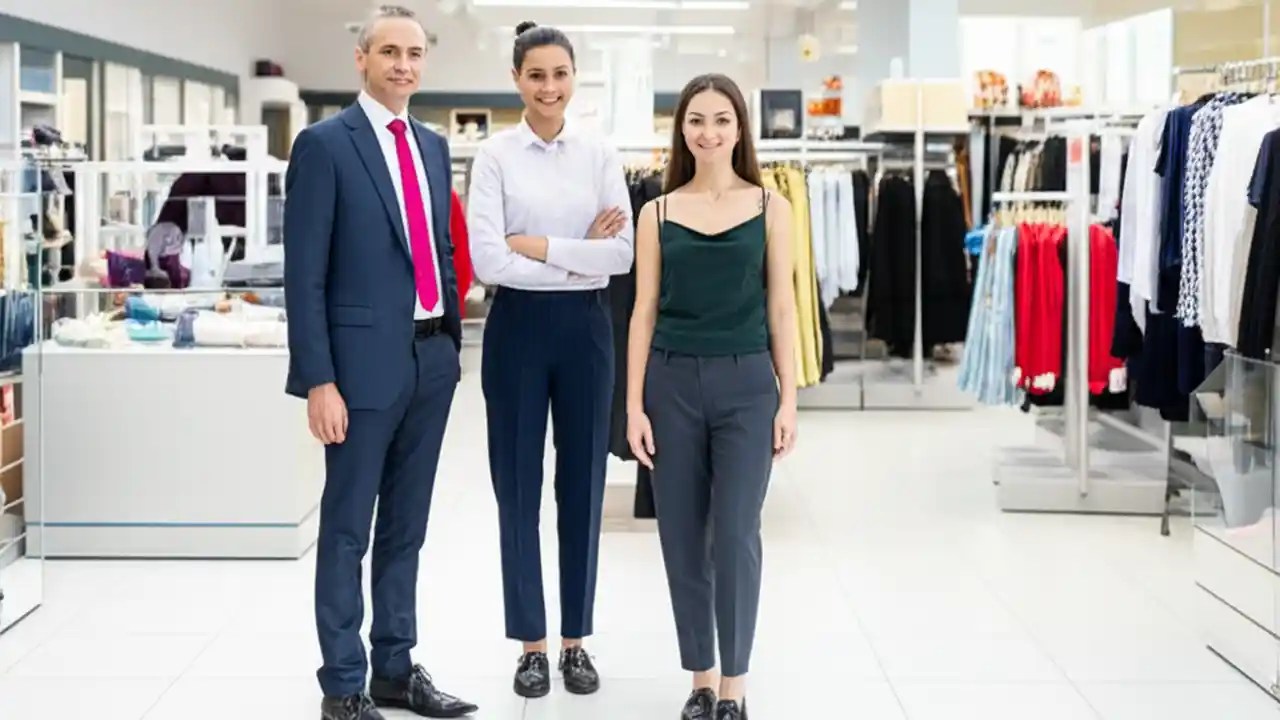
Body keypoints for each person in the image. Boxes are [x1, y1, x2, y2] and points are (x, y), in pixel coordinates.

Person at [283, 5, 479, 720]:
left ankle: (396, 669)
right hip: (359, 371)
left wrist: (452, 344)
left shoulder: (430, 146)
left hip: (430, 359)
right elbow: (303, 275)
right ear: (360, 60)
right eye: (390, 51)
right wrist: (319, 381)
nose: (404, 64)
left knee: (407, 527)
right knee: (346, 528)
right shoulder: (325, 145)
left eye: (415, 53)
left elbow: (440, 248)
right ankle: (343, 684)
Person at [466, 20, 634, 701]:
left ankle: (576, 641)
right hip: (515, 332)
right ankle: (531, 645)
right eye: (535, 74)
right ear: (516, 79)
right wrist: (574, 253)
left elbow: (617, 258)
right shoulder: (494, 157)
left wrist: (536, 246)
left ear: (574, 78)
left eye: (559, 74)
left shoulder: (598, 154)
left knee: (582, 487)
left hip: (587, 334)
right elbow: (487, 261)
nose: (548, 86)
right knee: (517, 488)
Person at [626, 73, 799, 720]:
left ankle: (735, 685)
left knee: (735, 533)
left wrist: (789, 400)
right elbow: (642, 312)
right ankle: (700, 678)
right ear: (682, 130)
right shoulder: (658, 212)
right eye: (696, 120)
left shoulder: (770, 206)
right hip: (671, 383)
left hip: (748, 384)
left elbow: (781, 307)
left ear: (739, 128)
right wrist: (634, 405)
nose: (708, 132)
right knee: (680, 535)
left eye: (721, 120)